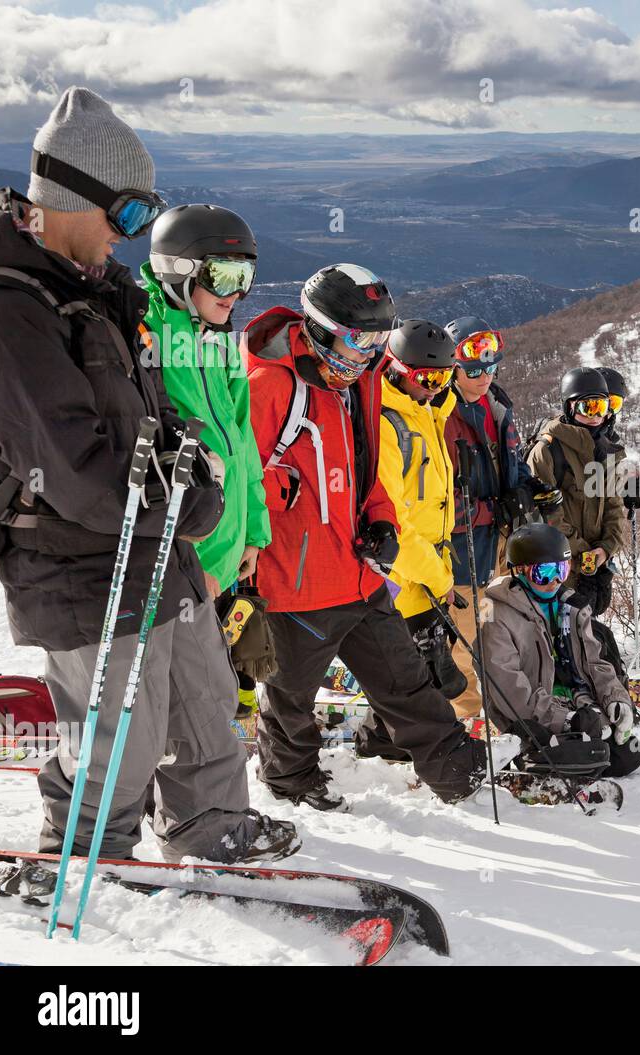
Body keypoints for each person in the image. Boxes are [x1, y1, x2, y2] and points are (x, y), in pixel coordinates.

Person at [0, 87, 295, 863]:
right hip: (76, 565)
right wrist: (190, 501)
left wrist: (194, 468)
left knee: (205, 704)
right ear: (67, 198)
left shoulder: (101, 295)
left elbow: (161, 414)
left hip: (159, 551)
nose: (128, 240)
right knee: (122, 740)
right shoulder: (10, 309)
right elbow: (77, 471)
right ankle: (87, 847)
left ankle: (211, 825)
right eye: (124, 217)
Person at [244, 265, 485, 810]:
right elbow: (241, 476)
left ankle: (457, 772)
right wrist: (280, 493)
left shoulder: (362, 383)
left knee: (405, 680)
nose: (368, 352)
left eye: (378, 339)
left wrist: (380, 519)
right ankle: (291, 784)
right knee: (291, 698)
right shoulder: (272, 384)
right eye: (359, 339)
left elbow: (369, 470)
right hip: (296, 582)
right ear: (321, 328)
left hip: (360, 572)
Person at [142, 203, 272, 716]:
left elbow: (244, 447)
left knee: (210, 695)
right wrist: (186, 568)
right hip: (181, 556)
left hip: (224, 548)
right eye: (224, 275)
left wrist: (254, 532)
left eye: (246, 276)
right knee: (177, 702)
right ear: (179, 270)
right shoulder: (146, 334)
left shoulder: (220, 342)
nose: (237, 292)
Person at [352, 321, 467, 761]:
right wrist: (439, 578)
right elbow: (396, 519)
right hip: (402, 574)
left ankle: (384, 748)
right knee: (407, 677)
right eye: (426, 378)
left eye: (443, 377)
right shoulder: (388, 423)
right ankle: (382, 748)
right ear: (397, 369)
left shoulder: (429, 414)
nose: (435, 387)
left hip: (427, 568)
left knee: (424, 669)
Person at [480, 524, 640, 779]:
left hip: (574, 702)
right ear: (520, 570)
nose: (555, 581)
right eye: (544, 573)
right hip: (527, 715)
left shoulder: (571, 606)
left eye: (561, 570)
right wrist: (566, 719)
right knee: (583, 756)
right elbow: (508, 688)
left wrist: (616, 699)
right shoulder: (495, 613)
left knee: (625, 757)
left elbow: (595, 663)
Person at [442, 316, 536, 717]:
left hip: (500, 545)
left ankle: (496, 710)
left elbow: (510, 462)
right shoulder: (443, 414)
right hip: (464, 551)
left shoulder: (496, 404)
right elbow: (441, 497)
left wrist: (525, 488)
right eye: (474, 370)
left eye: (490, 367)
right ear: (452, 367)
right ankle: (465, 719)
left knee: (497, 631)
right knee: (465, 639)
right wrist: (488, 508)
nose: (483, 377)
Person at [527, 367, 628, 678]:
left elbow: (613, 507)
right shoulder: (549, 449)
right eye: (587, 407)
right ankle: (555, 684)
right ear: (570, 408)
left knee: (583, 630)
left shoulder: (607, 452)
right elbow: (544, 515)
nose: (596, 415)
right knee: (554, 630)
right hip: (553, 563)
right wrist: (584, 555)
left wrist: (605, 552)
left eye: (602, 406)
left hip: (590, 561)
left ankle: (591, 684)